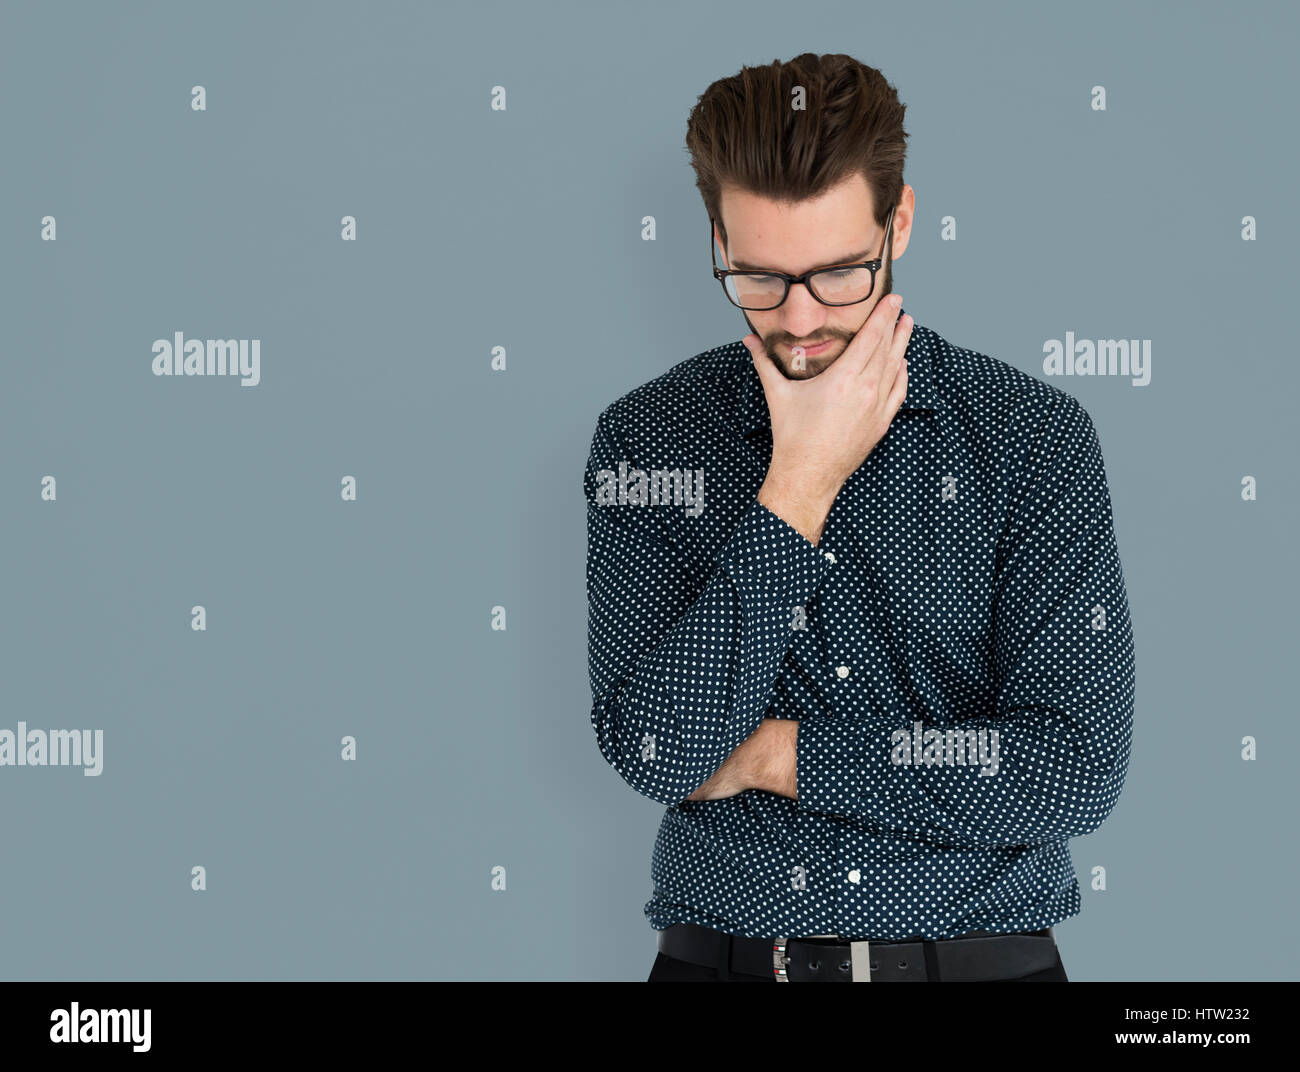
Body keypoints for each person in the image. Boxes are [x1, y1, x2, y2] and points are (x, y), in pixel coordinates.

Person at [582, 53, 1134, 983]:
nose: (799, 320)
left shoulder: (1033, 439)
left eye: (838, 272)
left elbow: (1069, 769)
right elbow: (653, 745)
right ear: (716, 236)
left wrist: (772, 755)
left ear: (900, 223)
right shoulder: (649, 441)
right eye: (757, 276)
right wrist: (800, 479)